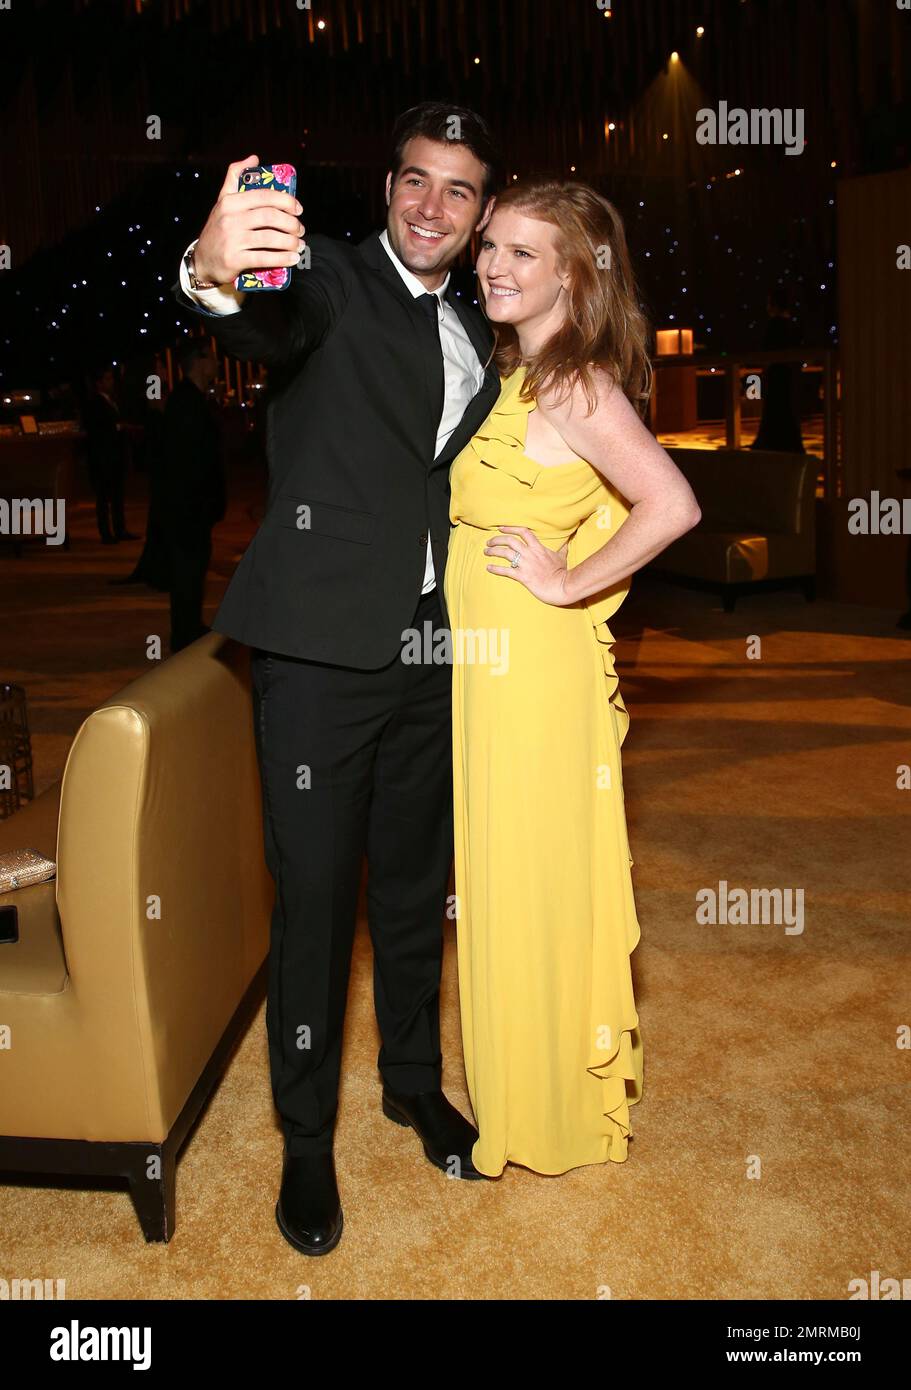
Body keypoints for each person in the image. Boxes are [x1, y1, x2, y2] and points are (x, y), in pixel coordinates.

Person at [171, 102, 503, 1254]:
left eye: (458, 191)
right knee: (315, 899)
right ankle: (303, 1142)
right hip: (318, 651)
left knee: (415, 886)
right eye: (416, 180)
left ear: (478, 213)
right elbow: (265, 318)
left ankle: (411, 1081)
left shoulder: (471, 321)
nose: (431, 206)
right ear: (389, 188)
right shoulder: (328, 278)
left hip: (429, 646)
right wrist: (215, 275)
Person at [444, 181, 701, 1175]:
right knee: (504, 875)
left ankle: (543, 1113)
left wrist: (565, 582)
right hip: (488, 660)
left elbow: (669, 505)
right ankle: (523, 1091)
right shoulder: (519, 368)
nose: (495, 267)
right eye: (490, 248)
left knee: (528, 878)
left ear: (572, 275)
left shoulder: (573, 384)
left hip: (528, 667)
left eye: (521, 254)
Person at [158, 339, 224, 652]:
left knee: (194, 571)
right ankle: (184, 634)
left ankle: (190, 627)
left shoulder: (192, 399)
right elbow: (185, 461)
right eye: (211, 357)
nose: (217, 363)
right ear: (198, 361)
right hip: (187, 506)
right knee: (187, 571)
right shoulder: (185, 401)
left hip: (194, 505)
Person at [81, 366, 139, 543]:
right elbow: (97, 429)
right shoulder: (95, 403)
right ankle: (106, 533)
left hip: (114, 455)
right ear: (99, 383)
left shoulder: (111, 401)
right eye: (107, 379)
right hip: (103, 456)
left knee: (117, 495)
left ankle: (120, 529)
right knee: (104, 497)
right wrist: (119, 427)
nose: (111, 382)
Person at [750, 285, 805, 453]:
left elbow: (766, 353)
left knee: (775, 411)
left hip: (776, 379)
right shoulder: (793, 328)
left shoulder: (774, 326)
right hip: (789, 379)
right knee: (787, 412)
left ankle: (772, 444)